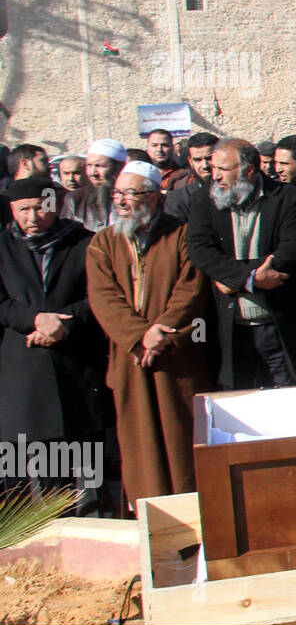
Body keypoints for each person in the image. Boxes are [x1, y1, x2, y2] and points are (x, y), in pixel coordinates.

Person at [85, 162, 210, 512]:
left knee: (180, 438)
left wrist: (160, 333)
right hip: (131, 358)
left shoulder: (183, 235)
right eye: (117, 194)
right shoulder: (101, 243)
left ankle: (191, 519)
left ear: (155, 197)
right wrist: (139, 336)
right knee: (139, 441)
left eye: (132, 194)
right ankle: (149, 516)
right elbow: (103, 298)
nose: (122, 202)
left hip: (175, 357)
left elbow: (191, 290)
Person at [0, 176, 110, 511]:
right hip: (25, 370)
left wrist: (63, 322)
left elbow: (101, 296)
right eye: (24, 210)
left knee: (86, 466)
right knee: (26, 469)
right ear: (12, 210)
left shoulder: (84, 243)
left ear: (57, 205)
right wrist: (34, 320)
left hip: (76, 364)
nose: (33, 217)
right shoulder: (2, 248)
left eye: (40, 208)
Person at [186, 138, 296, 390]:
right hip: (230, 327)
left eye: (223, 169)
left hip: (275, 325)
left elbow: (294, 247)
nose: (215, 176)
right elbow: (200, 250)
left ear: (248, 170)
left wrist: (237, 279)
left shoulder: (285, 197)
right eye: (213, 168)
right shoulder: (205, 198)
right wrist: (250, 278)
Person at [61, 139, 126, 232]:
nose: (93, 173)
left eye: (100, 166)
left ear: (119, 167)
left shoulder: (133, 198)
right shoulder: (75, 200)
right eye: (89, 165)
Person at [161, 132, 219, 223]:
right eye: (197, 160)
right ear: (190, 161)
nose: (205, 165)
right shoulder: (179, 199)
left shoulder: (235, 191)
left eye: (209, 158)